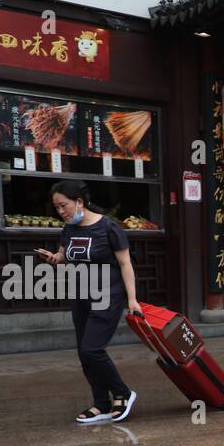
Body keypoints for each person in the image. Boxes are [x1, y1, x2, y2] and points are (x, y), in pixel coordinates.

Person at [36, 180, 139, 424]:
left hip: (107, 295)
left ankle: (123, 393)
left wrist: (132, 300)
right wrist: (55, 258)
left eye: (64, 206)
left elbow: (126, 264)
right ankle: (101, 403)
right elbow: (65, 255)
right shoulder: (69, 228)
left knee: (93, 349)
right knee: (84, 354)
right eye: (57, 207)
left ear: (79, 202)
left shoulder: (109, 227)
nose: (61, 212)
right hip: (80, 296)